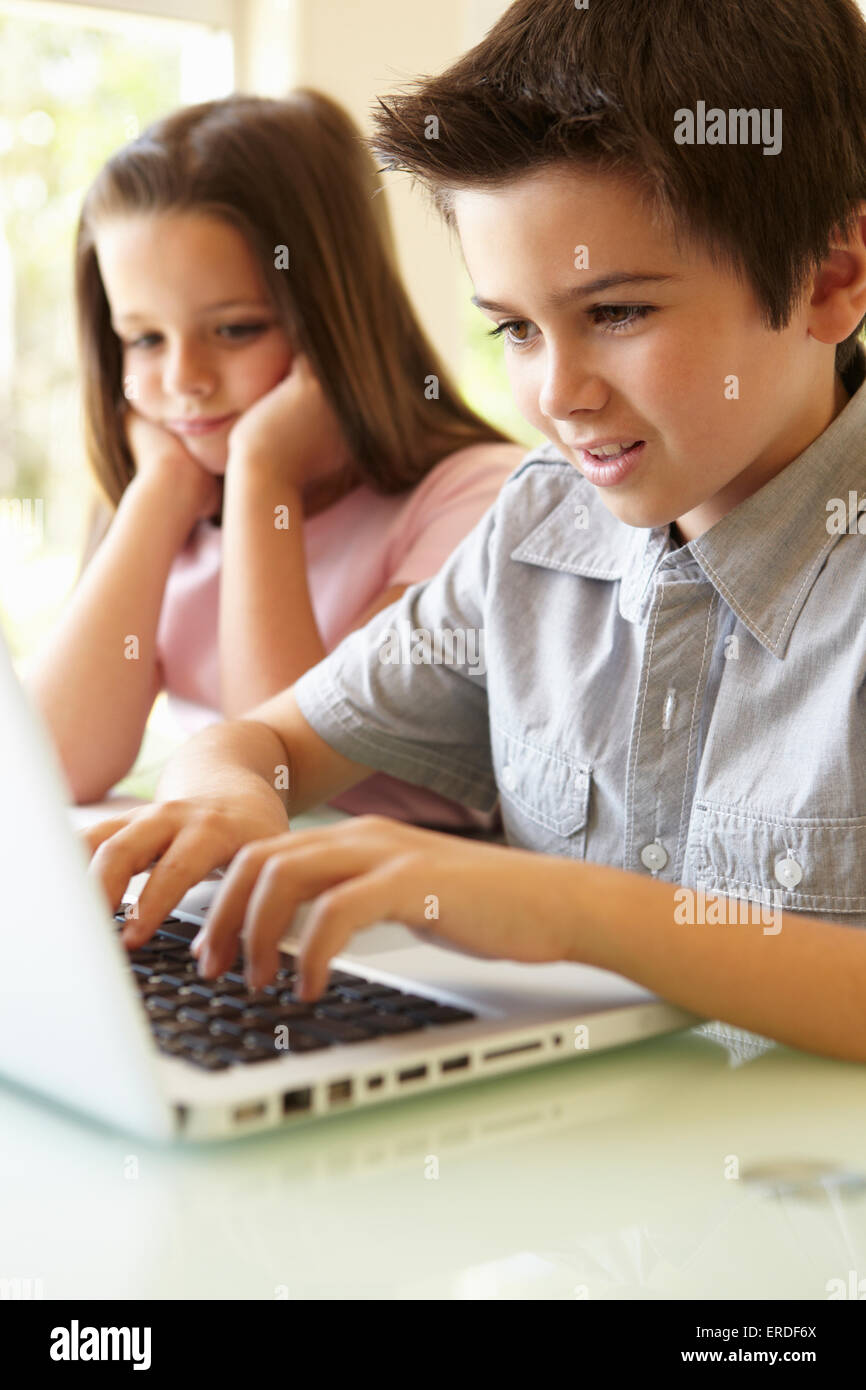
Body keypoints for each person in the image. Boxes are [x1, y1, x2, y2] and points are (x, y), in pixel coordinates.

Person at [83, 0, 866, 1062]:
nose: (558, 393)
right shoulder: (537, 530)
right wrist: (228, 799)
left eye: (617, 313)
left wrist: (571, 910)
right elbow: (257, 739)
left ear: (829, 277)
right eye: (515, 328)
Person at [26, 89, 524, 832]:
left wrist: (265, 474)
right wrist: (159, 496)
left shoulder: (479, 498)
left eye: (234, 329)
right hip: (242, 885)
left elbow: (287, 769)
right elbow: (53, 765)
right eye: (145, 340)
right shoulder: (175, 498)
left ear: (335, 321)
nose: (184, 380)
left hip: (408, 927)